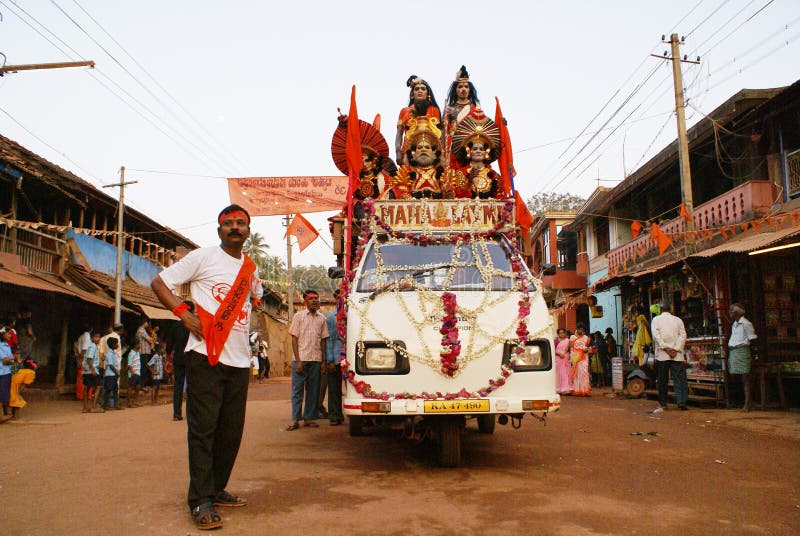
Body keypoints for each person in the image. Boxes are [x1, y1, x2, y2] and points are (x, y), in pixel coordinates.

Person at [151, 204, 262, 530]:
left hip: (240, 361)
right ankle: (200, 500)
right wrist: (183, 314)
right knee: (203, 432)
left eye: (241, 223)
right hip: (205, 357)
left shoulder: (251, 269)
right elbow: (159, 283)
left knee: (231, 433)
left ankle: (216, 488)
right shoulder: (203, 257)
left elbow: (252, 305)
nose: (235, 227)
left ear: (248, 231)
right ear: (219, 231)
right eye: (228, 223)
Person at [286, 289, 329, 431]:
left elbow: (323, 341)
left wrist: (323, 361)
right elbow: (294, 338)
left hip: (315, 360)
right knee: (297, 390)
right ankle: (295, 419)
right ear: (305, 301)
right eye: (311, 298)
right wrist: (298, 361)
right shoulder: (299, 316)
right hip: (301, 359)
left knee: (313, 391)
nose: (315, 301)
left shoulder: (322, 318)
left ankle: (309, 418)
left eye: (316, 298)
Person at [651, 302, 688, 412]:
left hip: (663, 354)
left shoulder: (656, 320)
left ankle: (663, 404)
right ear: (670, 309)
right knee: (680, 379)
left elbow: (656, 336)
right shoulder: (678, 320)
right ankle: (682, 402)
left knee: (663, 380)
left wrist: (666, 348)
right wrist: (676, 349)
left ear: (660, 309)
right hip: (677, 354)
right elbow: (683, 335)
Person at [396, 75, 441, 164]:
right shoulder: (404, 111)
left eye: (423, 89)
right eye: (417, 89)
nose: (420, 91)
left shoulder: (434, 110)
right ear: (412, 94)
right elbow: (399, 134)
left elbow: (438, 133)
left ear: (428, 93)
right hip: (408, 152)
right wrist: (398, 152)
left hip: (430, 151)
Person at [728, 303, 758, 412]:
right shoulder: (735, 324)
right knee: (740, 378)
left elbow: (753, 339)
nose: (730, 313)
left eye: (731, 311)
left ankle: (747, 404)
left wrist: (754, 356)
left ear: (735, 313)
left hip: (742, 351)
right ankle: (747, 402)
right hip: (735, 351)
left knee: (746, 379)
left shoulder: (746, 324)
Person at [167, 300, 194, 420]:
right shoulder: (194, 325)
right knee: (192, 386)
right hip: (191, 358)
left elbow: (169, 346)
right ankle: (191, 414)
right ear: (192, 311)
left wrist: (168, 359)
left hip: (178, 358)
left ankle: (177, 414)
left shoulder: (175, 326)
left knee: (178, 386)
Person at [325, 289, 343, 426]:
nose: (340, 300)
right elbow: (329, 339)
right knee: (334, 388)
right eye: (338, 298)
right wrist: (330, 359)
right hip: (336, 357)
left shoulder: (352, 315)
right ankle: (335, 415)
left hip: (351, 358)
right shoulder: (331, 317)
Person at [98, 324, 125, 410]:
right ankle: (108, 404)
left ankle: (111, 404)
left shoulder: (104, 338)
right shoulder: (116, 338)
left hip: (108, 367)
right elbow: (112, 362)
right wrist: (117, 371)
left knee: (111, 388)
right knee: (110, 389)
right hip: (112, 370)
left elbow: (101, 352)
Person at [568, 324, 592, 396]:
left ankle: (585, 390)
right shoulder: (573, 337)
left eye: (582, 329)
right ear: (577, 329)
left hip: (584, 357)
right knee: (577, 373)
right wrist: (573, 357)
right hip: (576, 357)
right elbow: (571, 347)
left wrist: (588, 350)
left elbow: (588, 347)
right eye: (579, 329)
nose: (580, 330)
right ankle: (577, 390)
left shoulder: (586, 337)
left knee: (584, 373)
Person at [81, 331, 101, 413]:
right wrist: (92, 370)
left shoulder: (91, 346)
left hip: (87, 371)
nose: (98, 339)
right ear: (92, 338)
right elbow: (89, 358)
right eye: (96, 337)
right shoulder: (93, 346)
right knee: (98, 387)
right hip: (91, 371)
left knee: (87, 388)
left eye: (99, 337)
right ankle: (93, 406)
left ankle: (85, 407)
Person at [102, 338, 122, 410]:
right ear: (113, 345)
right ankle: (105, 405)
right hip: (110, 374)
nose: (117, 345)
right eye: (116, 343)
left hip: (112, 374)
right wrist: (116, 372)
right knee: (108, 390)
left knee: (115, 390)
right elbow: (111, 365)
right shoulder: (109, 353)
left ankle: (116, 405)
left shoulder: (112, 353)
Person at [74, 325, 92, 401]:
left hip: (81, 359)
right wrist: (81, 360)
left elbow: (78, 349)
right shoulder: (87, 336)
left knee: (80, 378)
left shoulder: (80, 337)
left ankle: (79, 395)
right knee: (86, 379)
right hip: (85, 360)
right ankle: (86, 396)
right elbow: (84, 349)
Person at [0, 327, 15, 417]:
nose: (10, 335)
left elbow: (11, 358)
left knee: (4, 393)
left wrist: (11, 359)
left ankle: (4, 413)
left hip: (6, 372)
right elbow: (6, 360)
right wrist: (11, 360)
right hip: (2, 372)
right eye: (8, 333)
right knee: (2, 393)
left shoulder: (6, 345)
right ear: (3, 334)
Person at [136, 318, 155, 390]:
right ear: (144, 323)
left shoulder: (141, 330)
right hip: (143, 352)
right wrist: (152, 338)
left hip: (143, 352)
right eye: (147, 322)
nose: (147, 324)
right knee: (143, 369)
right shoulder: (141, 330)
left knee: (144, 368)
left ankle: (142, 385)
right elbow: (150, 340)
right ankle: (142, 385)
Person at [554, 328, 572, 395]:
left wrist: (563, 353)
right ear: (558, 334)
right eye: (560, 333)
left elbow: (568, 348)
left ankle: (566, 389)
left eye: (563, 333)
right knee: (558, 373)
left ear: (565, 333)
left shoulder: (568, 340)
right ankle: (558, 388)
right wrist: (559, 354)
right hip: (558, 358)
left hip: (565, 357)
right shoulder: (555, 341)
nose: (561, 334)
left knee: (566, 372)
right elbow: (553, 350)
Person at [127, 339, 142, 408]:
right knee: (131, 387)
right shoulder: (131, 353)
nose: (140, 345)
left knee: (138, 387)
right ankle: (129, 402)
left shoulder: (138, 353)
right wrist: (132, 372)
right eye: (139, 344)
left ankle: (134, 401)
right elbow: (129, 364)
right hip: (133, 373)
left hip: (138, 372)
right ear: (136, 345)